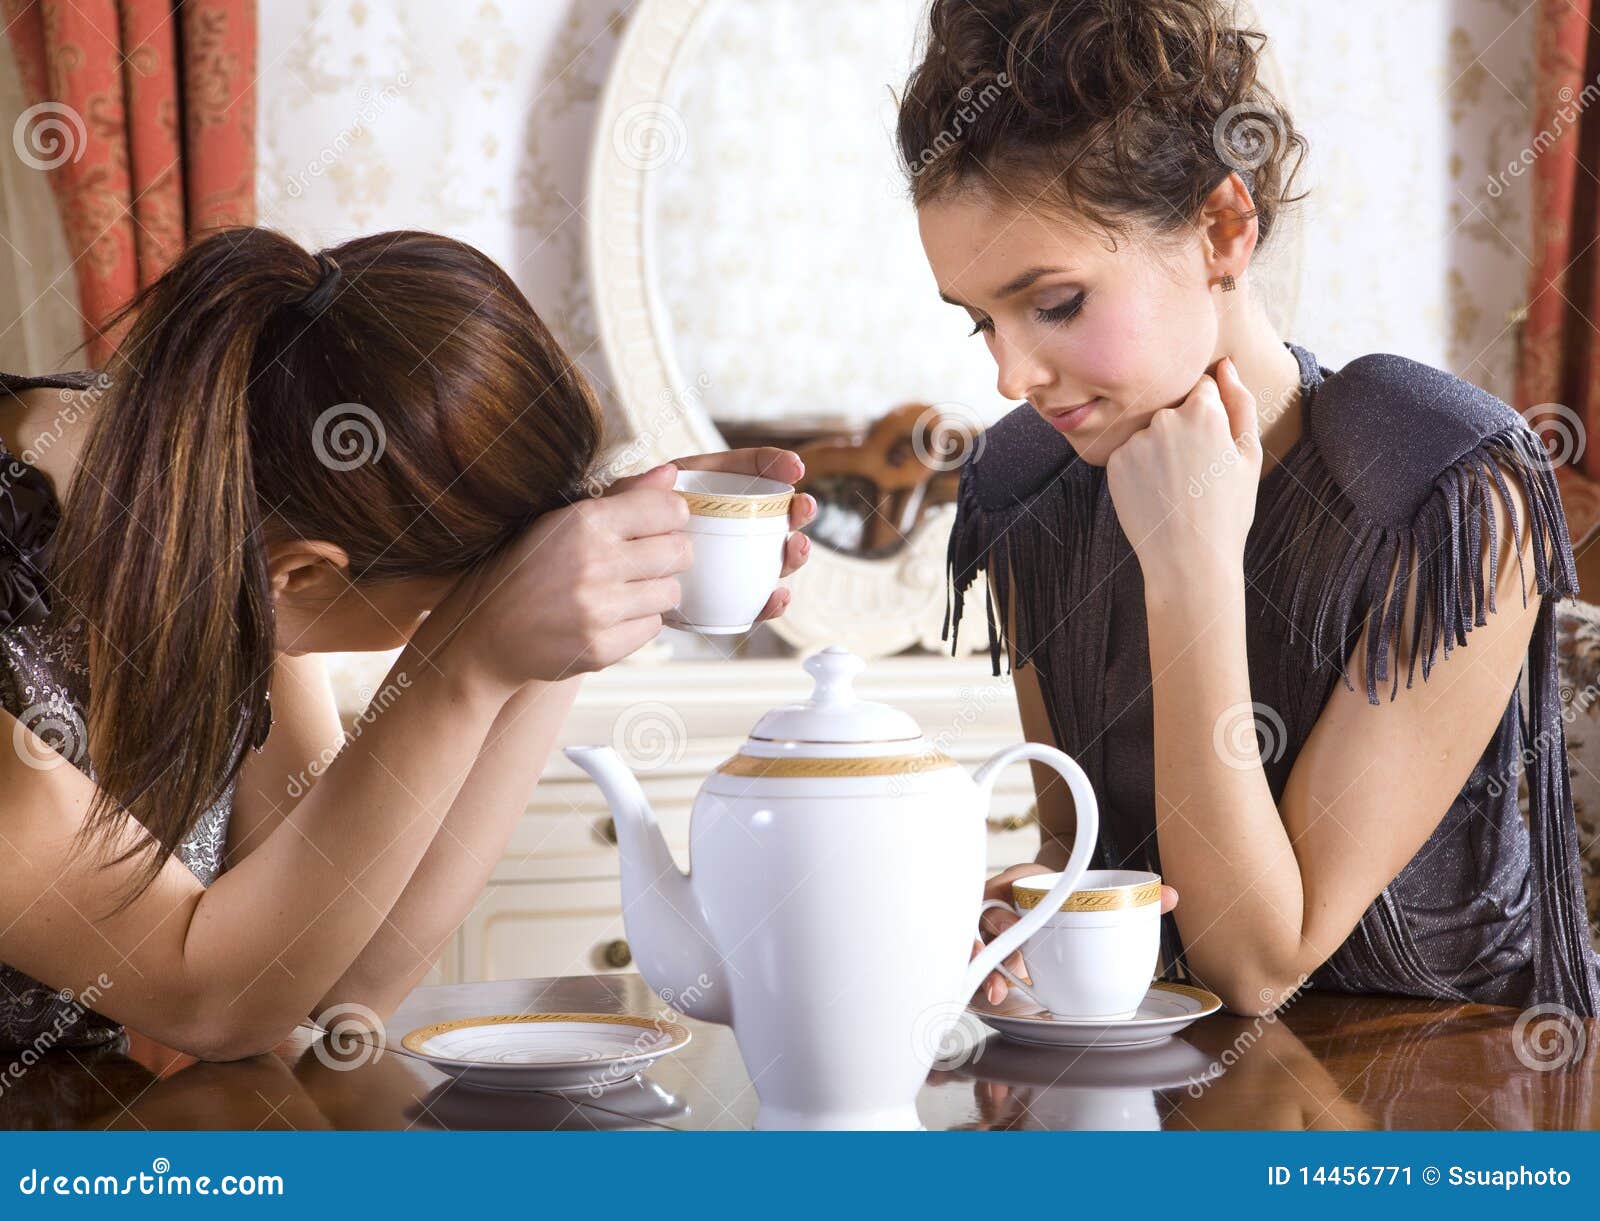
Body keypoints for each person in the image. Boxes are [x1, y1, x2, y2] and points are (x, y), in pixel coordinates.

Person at [898, 0, 1600, 1016]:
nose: (1012, 375)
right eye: (981, 325)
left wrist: (1190, 568)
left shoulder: (1445, 491)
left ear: (1224, 229)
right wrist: (1034, 911)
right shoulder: (1028, 488)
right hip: (1167, 1107)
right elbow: (1079, 843)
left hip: (1436, 1109)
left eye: (1053, 305)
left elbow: (1255, 965)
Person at [0, 226, 814, 1056]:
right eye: (440, 609)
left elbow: (337, 977)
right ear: (304, 576)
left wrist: (570, 618)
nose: (443, 628)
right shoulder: (196, 538)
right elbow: (213, 1003)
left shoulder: (226, 488)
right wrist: (464, 665)